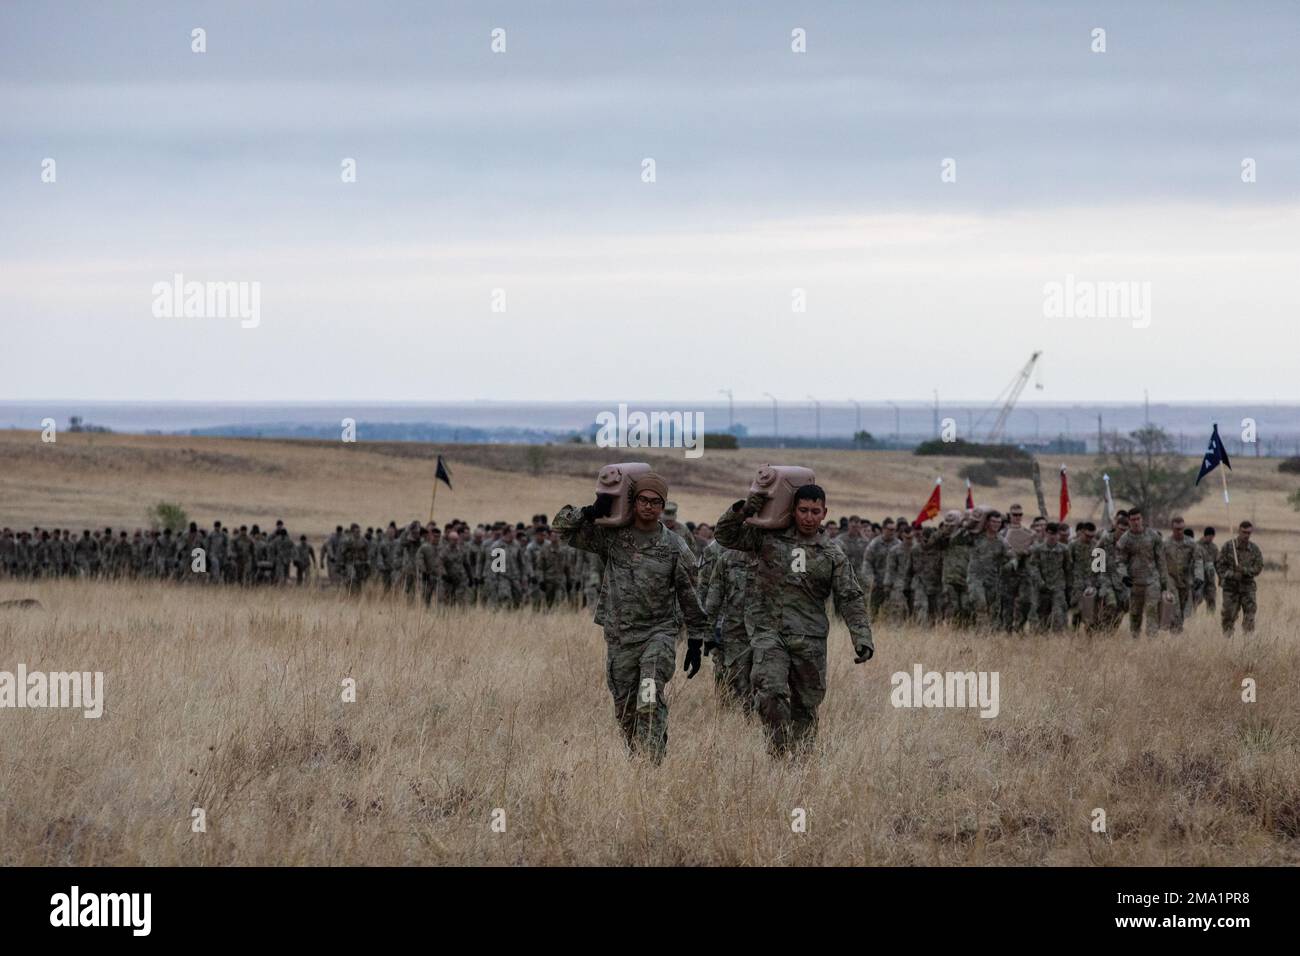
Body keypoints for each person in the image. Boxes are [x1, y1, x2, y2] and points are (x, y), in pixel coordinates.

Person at [553, 472, 708, 764]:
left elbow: (690, 592)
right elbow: (562, 528)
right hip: (620, 636)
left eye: (656, 502)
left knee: (649, 697)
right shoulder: (612, 537)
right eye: (643, 500)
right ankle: (636, 758)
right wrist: (590, 511)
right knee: (625, 709)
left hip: (658, 634)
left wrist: (696, 639)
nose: (649, 507)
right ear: (633, 502)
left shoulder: (674, 546)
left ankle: (652, 765)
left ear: (663, 507)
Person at [714, 483, 873, 757]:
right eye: (803, 510)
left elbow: (849, 596)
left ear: (825, 513)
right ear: (793, 510)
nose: (809, 517)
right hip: (768, 632)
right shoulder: (766, 539)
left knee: (805, 706)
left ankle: (800, 764)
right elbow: (725, 535)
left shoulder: (832, 554)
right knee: (769, 691)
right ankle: (778, 752)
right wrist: (747, 507)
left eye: (815, 511)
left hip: (809, 638)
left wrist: (861, 637)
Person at [1216, 521, 1263, 636]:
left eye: (1249, 533)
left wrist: (1245, 570)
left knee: (1250, 616)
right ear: (1239, 531)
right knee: (1228, 615)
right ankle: (1227, 639)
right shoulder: (1228, 547)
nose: (1246, 535)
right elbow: (1219, 567)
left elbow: (1258, 567)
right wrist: (1232, 574)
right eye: (1244, 532)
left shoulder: (1254, 549)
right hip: (1231, 588)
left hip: (1248, 588)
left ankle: (1247, 642)